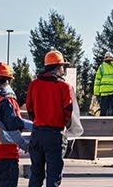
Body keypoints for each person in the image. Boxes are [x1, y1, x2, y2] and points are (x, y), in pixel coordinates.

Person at [24, 50, 74, 187]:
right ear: (58, 67)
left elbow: (30, 109)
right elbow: (68, 112)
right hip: (54, 134)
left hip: (37, 134)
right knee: (53, 176)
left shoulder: (34, 85)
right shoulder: (64, 87)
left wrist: (39, 121)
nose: (64, 69)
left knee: (36, 174)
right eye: (63, 66)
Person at [93, 51, 113, 117]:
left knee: (104, 111)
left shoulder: (101, 67)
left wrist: (96, 93)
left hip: (105, 93)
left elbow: (97, 81)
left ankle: (103, 124)